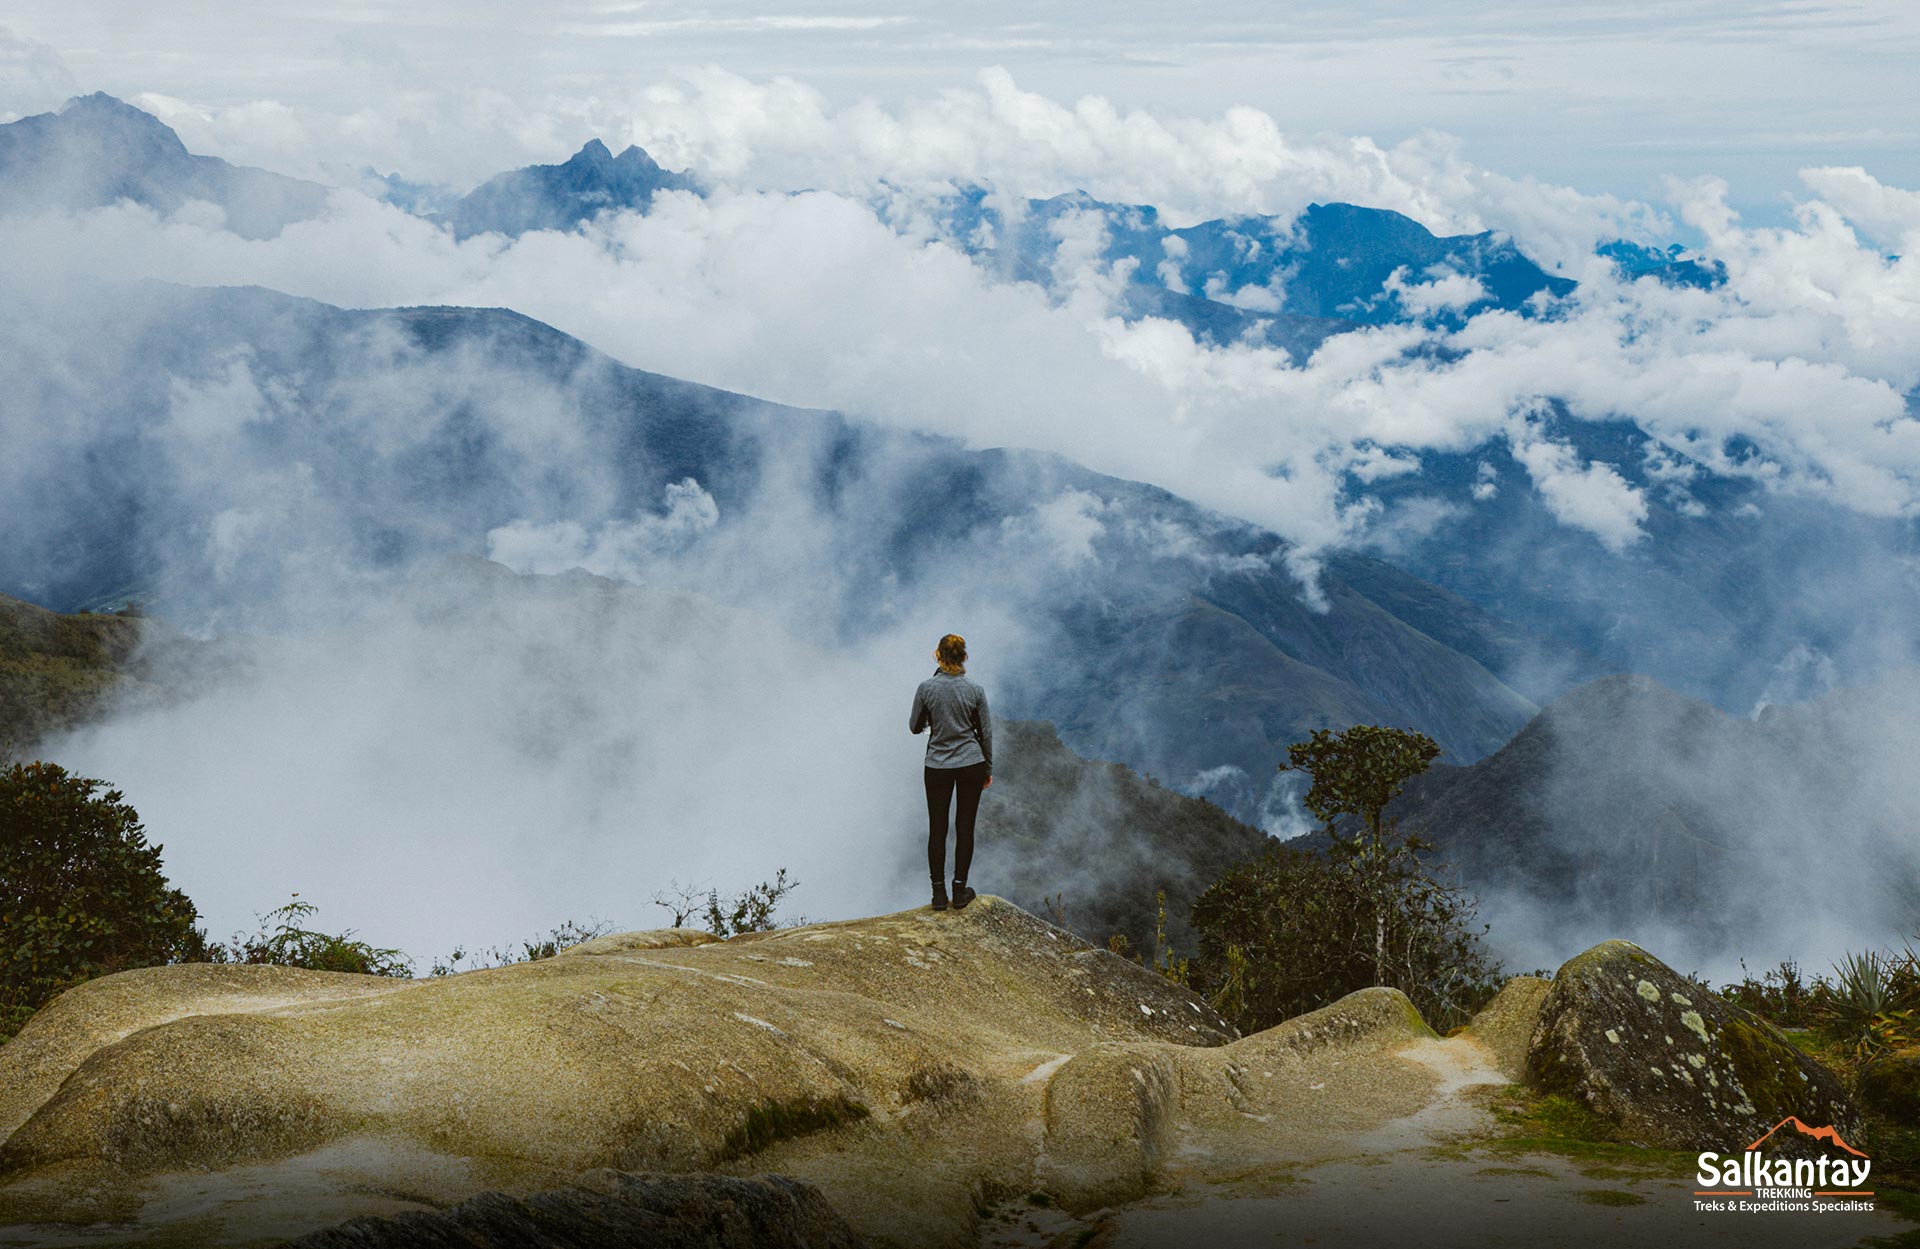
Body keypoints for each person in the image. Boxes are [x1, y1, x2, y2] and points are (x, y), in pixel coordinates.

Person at [909, 633, 993, 912]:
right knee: (965, 827)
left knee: (938, 828)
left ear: (938, 656)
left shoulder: (926, 688)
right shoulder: (975, 690)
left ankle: (937, 895)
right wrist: (987, 769)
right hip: (971, 763)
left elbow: (914, 726)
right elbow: (986, 733)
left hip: (937, 765)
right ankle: (959, 891)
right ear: (964, 657)